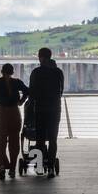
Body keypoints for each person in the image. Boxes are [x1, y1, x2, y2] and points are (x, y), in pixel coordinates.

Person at [28, 47, 64, 178]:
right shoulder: (58, 72)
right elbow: (61, 91)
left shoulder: (36, 72)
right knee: (53, 139)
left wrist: (31, 105)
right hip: (55, 109)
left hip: (40, 109)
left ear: (41, 57)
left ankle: (39, 167)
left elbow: (31, 92)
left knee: (40, 139)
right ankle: (51, 168)